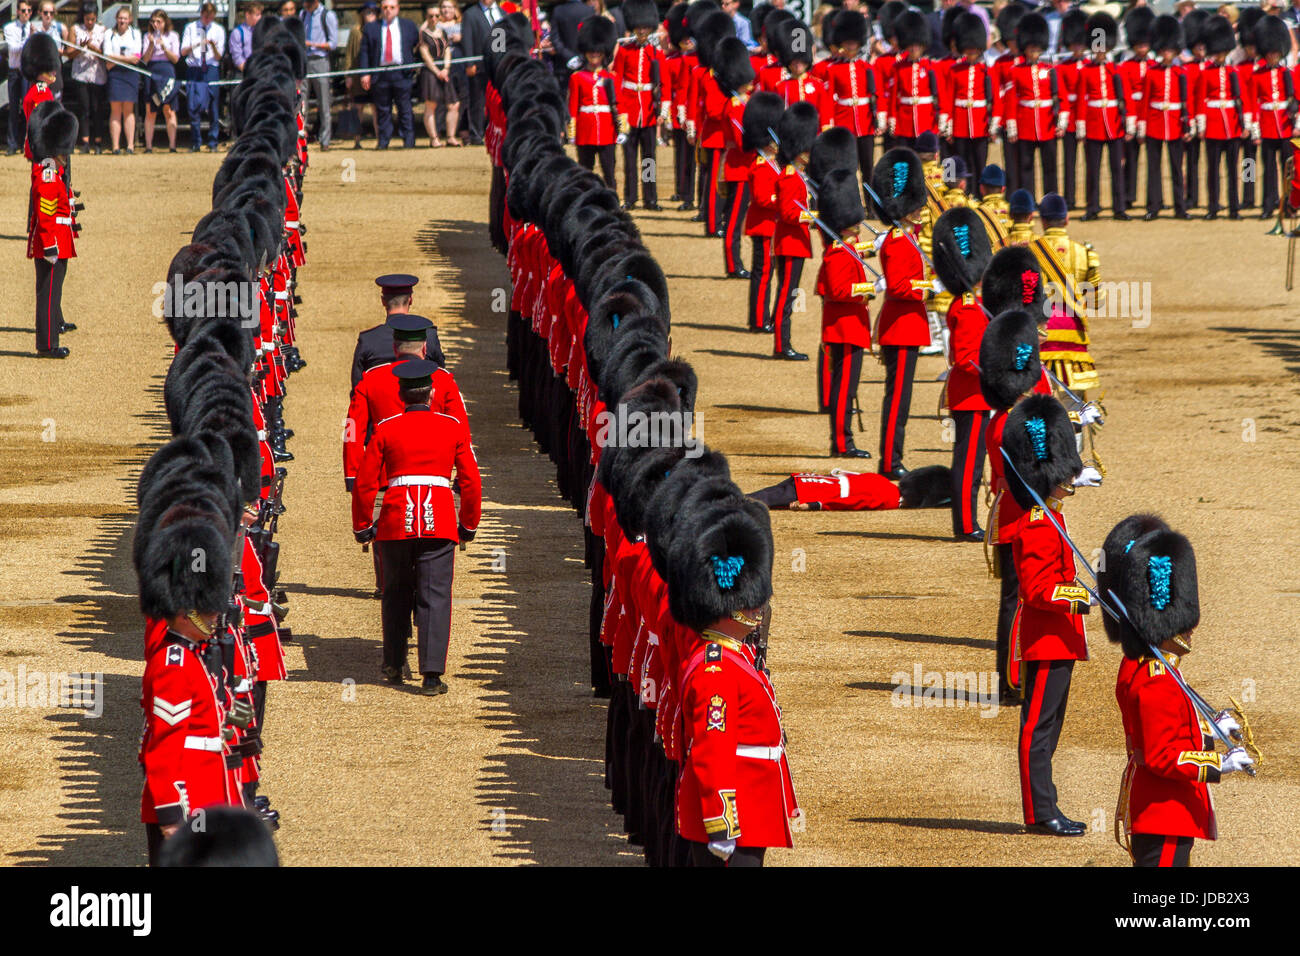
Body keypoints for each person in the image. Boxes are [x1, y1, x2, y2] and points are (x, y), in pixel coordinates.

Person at [1107, 524, 1255, 867]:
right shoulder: (1156, 679)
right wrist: (1220, 763)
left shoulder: (1150, 667)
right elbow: (1163, 755)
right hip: (1165, 810)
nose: (1190, 628)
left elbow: (1169, 726)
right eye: (1183, 622)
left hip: (1160, 807)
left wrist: (1210, 732)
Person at [667, 494, 800, 867]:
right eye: (750, 601)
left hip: (754, 806)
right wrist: (721, 824)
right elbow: (713, 750)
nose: (758, 609)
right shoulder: (718, 668)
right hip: (735, 814)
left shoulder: (734, 653)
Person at [351, 359, 481, 696]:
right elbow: (470, 480)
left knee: (395, 592)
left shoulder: (386, 427)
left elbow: (366, 483)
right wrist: (468, 524)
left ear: (401, 393)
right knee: (435, 595)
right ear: (432, 392)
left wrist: (363, 526)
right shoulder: (452, 427)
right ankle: (431, 675)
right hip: (439, 518)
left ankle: (394, 662)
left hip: (395, 519)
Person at [1002, 393, 1089, 836]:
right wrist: (1078, 597)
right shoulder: (1037, 523)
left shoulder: (1051, 516)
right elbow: (1037, 591)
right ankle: (1040, 811)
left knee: (1051, 726)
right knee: (1037, 727)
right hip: (1045, 636)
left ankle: (1046, 801)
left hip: (1062, 637)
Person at [344, 314, 467, 489]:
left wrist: (353, 475)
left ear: (395, 348)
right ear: (424, 348)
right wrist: (462, 478)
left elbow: (352, 427)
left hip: (385, 480)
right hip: (436, 479)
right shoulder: (444, 380)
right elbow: (461, 430)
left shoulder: (371, 378)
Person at [871, 147, 935, 479]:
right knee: (897, 400)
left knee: (902, 399)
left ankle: (894, 457)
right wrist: (927, 288)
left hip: (909, 326)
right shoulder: (896, 241)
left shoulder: (907, 237)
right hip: (900, 328)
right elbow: (898, 287)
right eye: (918, 205)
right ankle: (890, 462)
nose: (922, 210)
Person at [932, 206, 992, 540]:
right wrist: (994, 372)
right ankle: (966, 525)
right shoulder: (968, 307)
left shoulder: (973, 302)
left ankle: (967, 522)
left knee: (973, 463)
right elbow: (966, 358)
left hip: (975, 395)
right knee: (969, 465)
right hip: (971, 395)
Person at [814, 168, 875, 458]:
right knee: (843, 390)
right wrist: (868, 290)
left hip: (850, 327)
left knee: (846, 388)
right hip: (845, 328)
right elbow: (838, 291)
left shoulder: (847, 249)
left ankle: (843, 439)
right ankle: (841, 442)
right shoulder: (838, 253)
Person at [1030, 192, 1102, 396]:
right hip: (1074, 329)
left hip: (1040, 332)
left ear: (1042, 222)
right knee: (1073, 406)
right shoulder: (1084, 253)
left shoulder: (1030, 252)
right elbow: (1097, 301)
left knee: (1041, 406)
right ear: (1067, 220)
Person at [28, 102, 78, 359]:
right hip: (52, 242)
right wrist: (49, 245)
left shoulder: (54, 170)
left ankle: (50, 339)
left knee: (53, 291)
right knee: (48, 294)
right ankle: (47, 345)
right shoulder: (48, 172)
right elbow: (46, 214)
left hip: (60, 240)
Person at [770, 101, 819, 362]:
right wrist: (814, 217)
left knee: (788, 294)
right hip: (789, 243)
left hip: (795, 242)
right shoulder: (789, 176)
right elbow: (789, 214)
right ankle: (781, 345)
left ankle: (783, 342)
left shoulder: (799, 175)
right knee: (786, 295)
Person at [352, 274, 446, 392]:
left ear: (383, 301)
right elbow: (441, 379)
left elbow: (357, 390)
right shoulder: (429, 336)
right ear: (410, 300)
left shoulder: (368, 340)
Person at [612, 0, 662, 210]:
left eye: (645, 28)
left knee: (648, 159)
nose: (642, 31)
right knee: (630, 159)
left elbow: (661, 83)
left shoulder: (655, 53)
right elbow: (618, 79)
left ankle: (650, 198)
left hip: (648, 111)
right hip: (630, 109)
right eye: (639, 27)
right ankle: (631, 197)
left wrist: (661, 109)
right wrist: (621, 110)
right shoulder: (625, 51)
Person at [1139, 15, 1189, 220]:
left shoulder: (1180, 73)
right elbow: (1145, 100)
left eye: (1170, 50)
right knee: (1154, 169)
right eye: (1164, 50)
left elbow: (1187, 103)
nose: (1167, 54)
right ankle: (1153, 206)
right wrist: (1141, 126)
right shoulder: (1151, 73)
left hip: (1175, 124)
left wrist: (1188, 126)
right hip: (1155, 123)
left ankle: (1180, 207)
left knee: (1177, 168)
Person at [1079, 12, 1128, 220]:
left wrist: (1130, 122)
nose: (1101, 51)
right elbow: (1082, 99)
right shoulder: (1085, 71)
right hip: (1093, 124)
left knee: (1116, 168)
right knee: (1093, 170)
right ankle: (1093, 207)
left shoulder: (1116, 70)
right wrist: (1081, 124)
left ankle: (1119, 207)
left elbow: (1125, 99)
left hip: (1114, 123)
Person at [1005, 13, 1060, 199]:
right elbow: (1012, 99)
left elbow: (1058, 97)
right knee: (1026, 167)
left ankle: (1051, 199)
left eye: (1037, 49)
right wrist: (1012, 125)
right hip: (1026, 125)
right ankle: (1029, 200)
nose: (1034, 52)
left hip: (1047, 124)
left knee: (1050, 166)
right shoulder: (1016, 71)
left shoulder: (1050, 70)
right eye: (1030, 49)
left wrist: (1060, 120)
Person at [741, 91, 783, 333]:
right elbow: (762, 199)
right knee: (763, 273)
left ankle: (763, 317)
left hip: (773, 226)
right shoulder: (759, 165)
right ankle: (758, 320)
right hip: (763, 226)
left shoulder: (773, 163)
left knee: (768, 272)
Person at [1195, 15, 1243, 220]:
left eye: (1224, 51)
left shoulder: (1234, 71)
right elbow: (1200, 100)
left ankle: (1234, 208)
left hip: (1231, 124)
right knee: (1213, 171)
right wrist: (1201, 125)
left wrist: (1245, 123)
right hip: (1214, 125)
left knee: (1233, 171)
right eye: (1218, 52)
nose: (1221, 55)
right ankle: (1213, 207)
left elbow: (1241, 99)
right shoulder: (1205, 74)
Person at [567, 16, 622, 188]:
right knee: (585, 170)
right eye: (591, 51)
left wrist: (622, 128)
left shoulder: (611, 77)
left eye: (598, 51)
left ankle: (612, 202)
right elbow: (573, 107)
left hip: (607, 129)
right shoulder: (577, 77)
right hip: (585, 129)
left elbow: (619, 104)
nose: (594, 54)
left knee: (609, 171)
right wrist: (572, 132)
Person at [1247, 15, 1293, 220]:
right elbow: (1252, 103)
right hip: (1267, 126)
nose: (1273, 55)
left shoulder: (1287, 73)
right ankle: (1268, 205)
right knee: (1268, 170)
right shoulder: (1257, 75)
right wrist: (1255, 128)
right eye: (1270, 52)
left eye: (1276, 52)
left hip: (1285, 125)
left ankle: (1290, 205)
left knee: (1288, 169)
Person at [359, 0, 420, 149]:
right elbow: (365, 52)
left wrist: (413, 66)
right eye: (385, 7)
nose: (388, 10)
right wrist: (365, 73)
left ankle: (409, 141)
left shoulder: (409, 26)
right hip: (380, 74)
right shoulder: (371, 28)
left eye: (392, 7)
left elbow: (418, 46)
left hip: (402, 73)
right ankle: (383, 141)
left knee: (405, 108)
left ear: (398, 9)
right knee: (383, 110)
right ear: (381, 9)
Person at [181, 3, 225, 151]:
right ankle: (196, 142)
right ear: (201, 14)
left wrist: (212, 46)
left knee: (213, 106)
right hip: (195, 68)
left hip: (211, 69)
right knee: (193, 106)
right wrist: (198, 44)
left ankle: (213, 142)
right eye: (205, 16)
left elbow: (219, 57)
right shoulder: (190, 28)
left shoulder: (218, 30)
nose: (208, 19)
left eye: (211, 17)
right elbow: (183, 51)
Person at [460, 0, 503, 146]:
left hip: (500, 66)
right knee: (478, 101)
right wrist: (469, 63)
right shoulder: (471, 14)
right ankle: (476, 134)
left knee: (499, 101)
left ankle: (499, 131)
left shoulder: (503, 14)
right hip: (479, 66)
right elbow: (467, 40)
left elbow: (506, 39)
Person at [67, 2, 108, 155]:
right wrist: (81, 48)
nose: (89, 22)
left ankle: (98, 141)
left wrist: (93, 48)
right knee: (84, 109)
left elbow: (106, 53)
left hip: (98, 74)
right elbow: (69, 53)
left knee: (97, 109)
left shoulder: (102, 30)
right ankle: (85, 141)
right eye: (87, 19)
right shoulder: (75, 29)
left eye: (92, 19)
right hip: (81, 74)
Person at [102, 7, 142, 154]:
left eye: (125, 18)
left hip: (130, 74)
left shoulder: (135, 34)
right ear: (116, 19)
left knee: (129, 110)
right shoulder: (109, 33)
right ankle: (115, 146)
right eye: (120, 18)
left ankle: (130, 145)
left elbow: (137, 57)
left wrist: (116, 59)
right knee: (116, 110)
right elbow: (107, 55)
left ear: (130, 19)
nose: (122, 21)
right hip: (115, 74)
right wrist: (126, 59)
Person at [300, 0, 338, 149]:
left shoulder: (327, 15)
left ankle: (325, 140)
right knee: (302, 102)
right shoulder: (303, 15)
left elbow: (333, 43)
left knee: (324, 102)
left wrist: (312, 44)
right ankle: (301, 138)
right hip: (305, 60)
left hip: (320, 60)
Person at [419, 1, 457, 147]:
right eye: (431, 16)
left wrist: (446, 68)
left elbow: (447, 50)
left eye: (436, 15)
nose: (434, 18)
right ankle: (434, 138)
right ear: (426, 17)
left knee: (453, 104)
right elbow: (425, 55)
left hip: (444, 69)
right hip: (430, 72)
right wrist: (437, 72)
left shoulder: (443, 32)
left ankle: (451, 136)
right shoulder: (423, 33)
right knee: (431, 105)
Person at [142, 10, 180, 153]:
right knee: (151, 109)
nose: (155, 24)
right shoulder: (147, 36)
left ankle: (172, 146)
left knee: (168, 109)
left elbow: (176, 59)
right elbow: (144, 60)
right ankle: (149, 146)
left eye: (159, 21)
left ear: (165, 22)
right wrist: (151, 45)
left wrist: (164, 47)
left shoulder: (173, 36)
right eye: (153, 21)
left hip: (167, 71)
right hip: (152, 72)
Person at [345, 1, 380, 148]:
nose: (369, 15)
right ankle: (356, 140)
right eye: (367, 12)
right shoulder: (356, 32)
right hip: (358, 75)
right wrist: (347, 75)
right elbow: (349, 54)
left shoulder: (380, 29)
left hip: (376, 76)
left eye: (372, 12)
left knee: (376, 108)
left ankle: (380, 139)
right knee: (357, 107)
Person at [4, 1, 35, 155]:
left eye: (29, 11)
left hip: (27, 71)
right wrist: (29, 39)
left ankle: (27, 143)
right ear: (18, 11)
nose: (26, 13)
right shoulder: (10, 28)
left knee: (27, 108)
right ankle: (12, 143)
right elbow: (13, 49)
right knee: (14, 108)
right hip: (15, 71)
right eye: (23, 10)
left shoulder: (33, 27)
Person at [439, 0, 467, 144]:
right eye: (443, 7)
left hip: (461, 67)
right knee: (450, 103)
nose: (446, 10)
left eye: (449, 7)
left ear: (455, 9)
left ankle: (464, 132)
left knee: (464, 101)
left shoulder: (463, 26)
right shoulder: (435, 26)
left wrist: (462, 38)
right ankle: (447, 134)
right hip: (444, 69)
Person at [229, 2, 263, 73]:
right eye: (257, 15)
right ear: (247, 15)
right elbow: (237, 57)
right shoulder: (237, 33)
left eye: (260, 14)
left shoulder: (263, 31)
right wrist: (248, 72)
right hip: (244, 72)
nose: (260, 17)